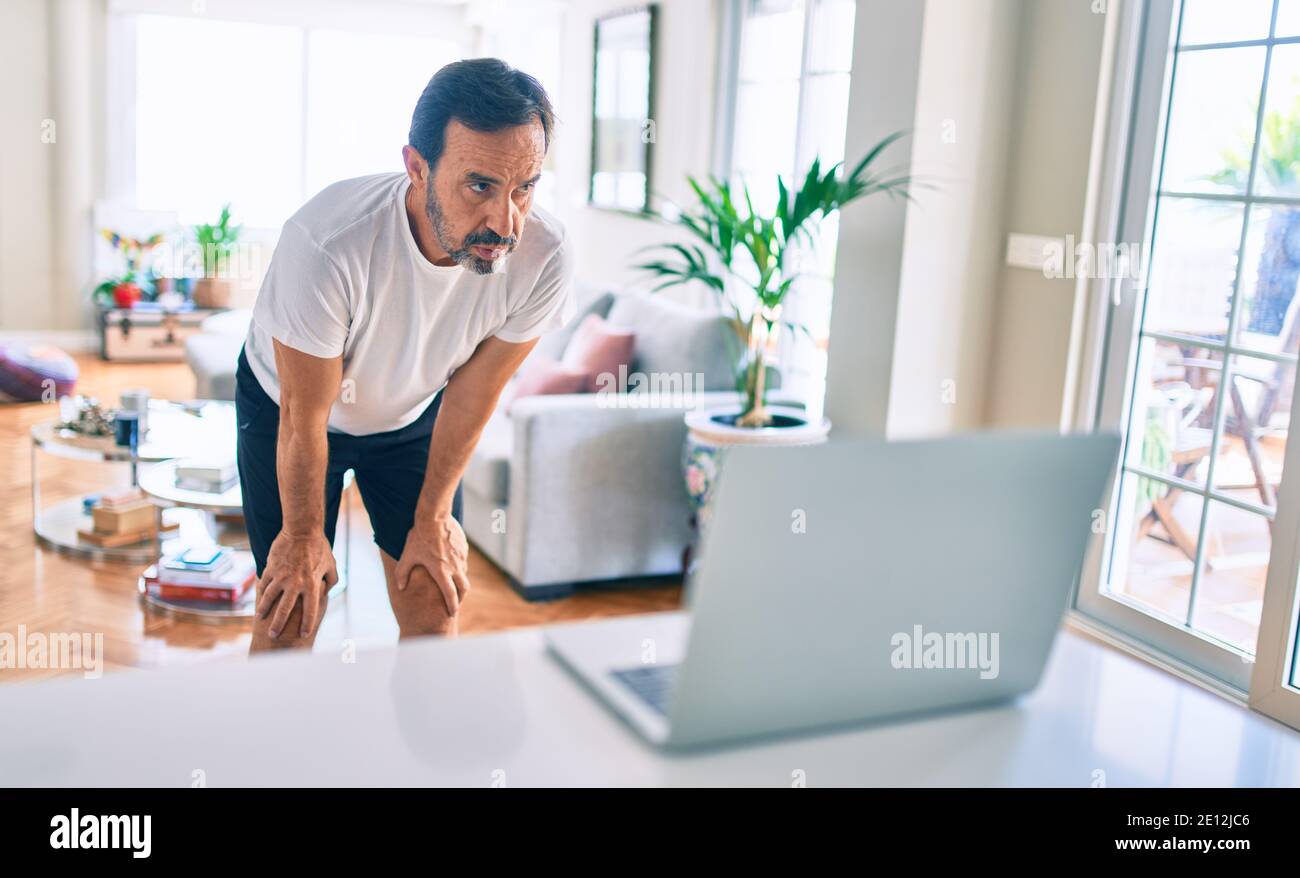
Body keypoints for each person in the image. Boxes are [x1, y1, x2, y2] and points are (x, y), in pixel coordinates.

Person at [235, 58, 574, 651]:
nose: (506, 220)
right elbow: (304, 415)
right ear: (417, 168)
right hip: (291, 415)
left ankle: (422, 742)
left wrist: (434, 517)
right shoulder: (328, 242)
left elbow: (474, 393)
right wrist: (302, 534)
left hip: (414, 416)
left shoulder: (545, 257)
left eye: (525, 188)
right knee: (292, 608)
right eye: (480, 186)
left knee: (431, 594)